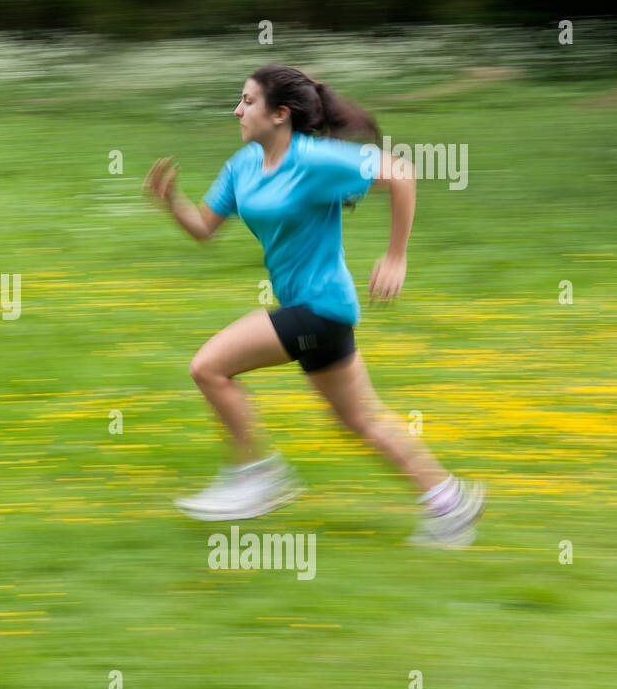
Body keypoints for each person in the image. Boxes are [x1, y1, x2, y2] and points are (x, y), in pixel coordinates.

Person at [144, 64, 485, 547]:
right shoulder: (242, 165)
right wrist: (171, 203)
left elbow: (401, 173)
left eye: (247, 101)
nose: (236, 110)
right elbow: (204, 228)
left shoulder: (316, 159)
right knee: (361, 422)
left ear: (280, 114)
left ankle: (257, 476)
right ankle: (450, 502)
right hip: (317, 312)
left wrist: (395, 256)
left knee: (209, 367)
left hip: (321, 308)